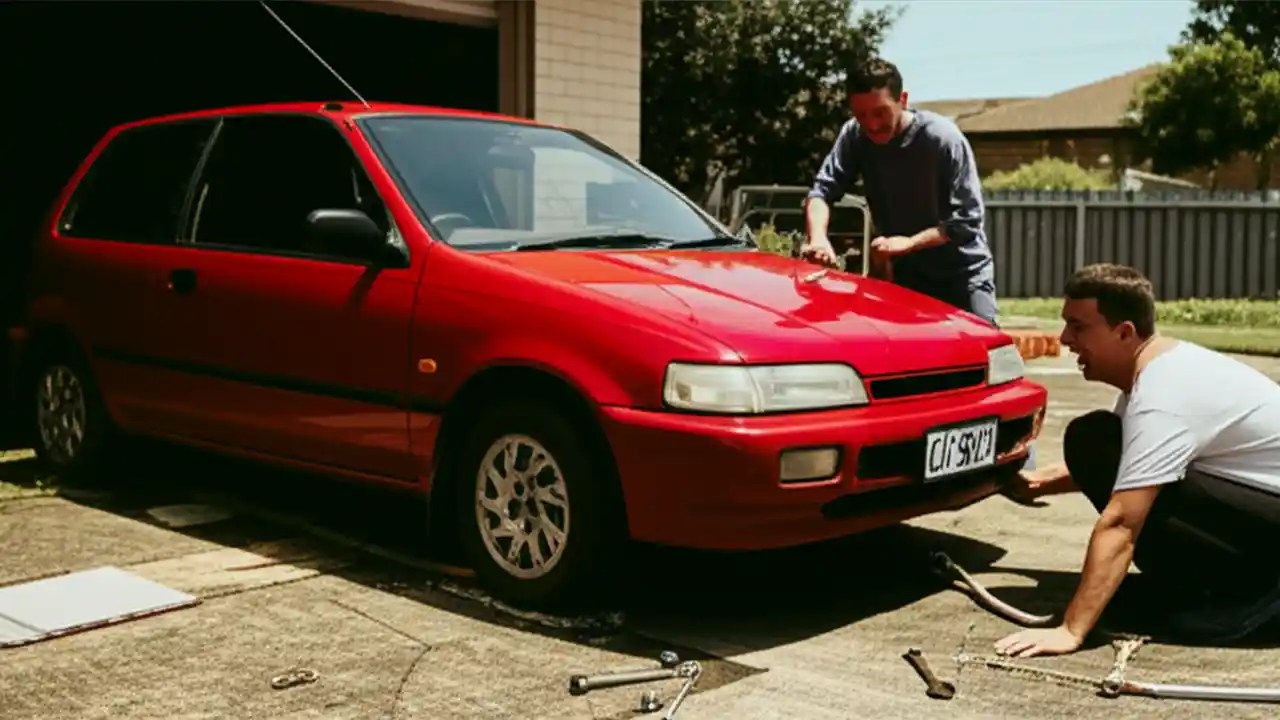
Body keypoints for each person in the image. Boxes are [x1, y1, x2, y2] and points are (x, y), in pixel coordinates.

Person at [995, 263, 1280, 658]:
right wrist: (1037, 483)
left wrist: (1071, 630)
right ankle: (1216, 582)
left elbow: (1122, 521)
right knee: (1099, 441)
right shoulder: (1160, 369)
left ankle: (1235, 595)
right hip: (1264, 515)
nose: (1065, 339)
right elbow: (1137, 462)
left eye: (1078, 327)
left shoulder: (1164, 396)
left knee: (1093, 440)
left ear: (1124, 332)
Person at [802, 56, 997, 325]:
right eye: (861, 115)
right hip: (903, 277)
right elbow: (821, 193)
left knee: (983, 353)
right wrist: (819, 239)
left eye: (880, 112)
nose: (871, 124)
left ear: (902, 100)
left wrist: (909, 243)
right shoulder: (855, 136)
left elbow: (966, 221)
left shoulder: (942, 139)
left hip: (961, 276)